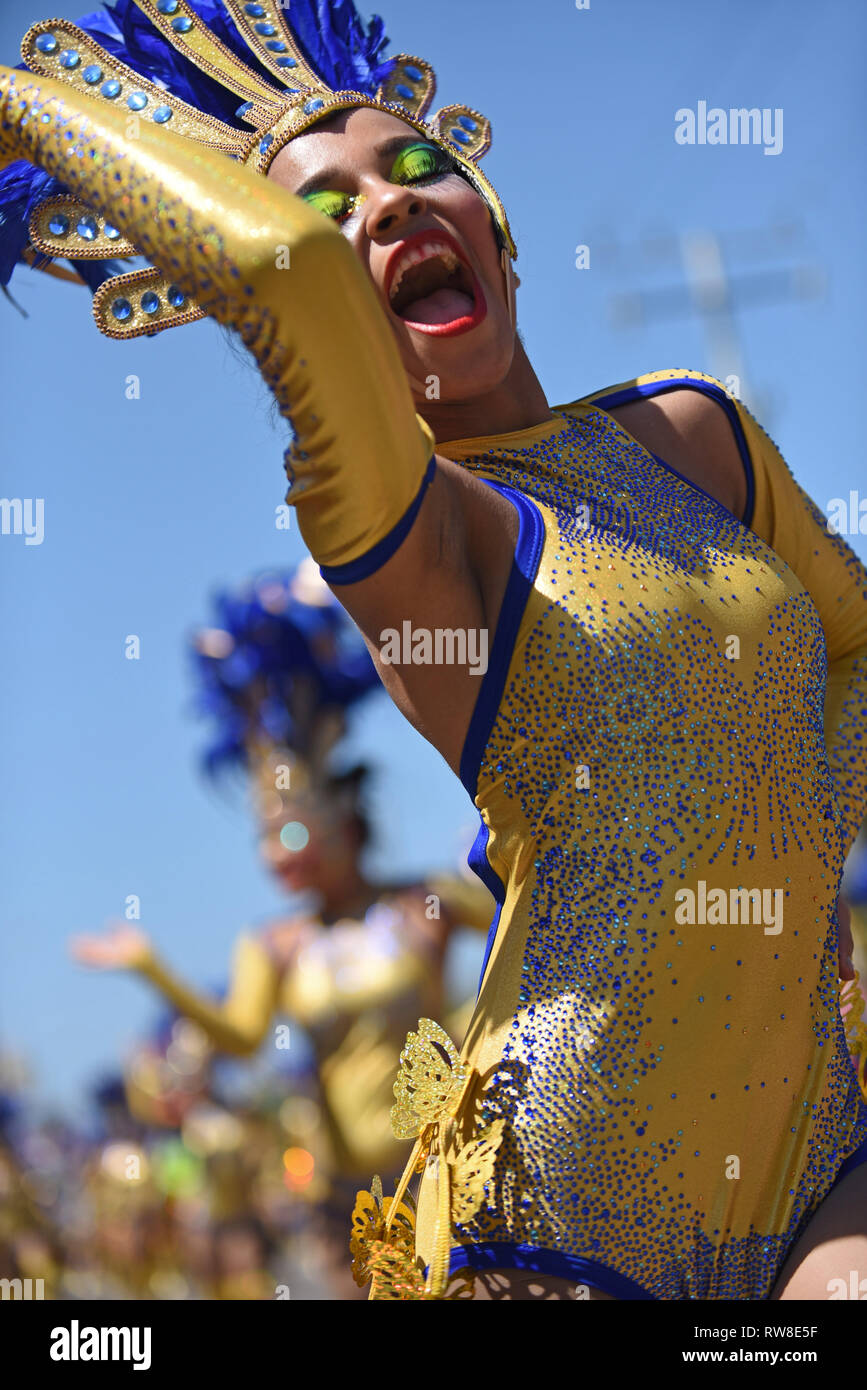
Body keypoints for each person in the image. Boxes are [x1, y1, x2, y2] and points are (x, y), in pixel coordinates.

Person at [2, 0, 866, 1301]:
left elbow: (854, 645)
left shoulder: (696, 437)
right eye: (331, 205)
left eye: (417, 172)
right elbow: (288, 273)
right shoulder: (420, 536)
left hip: (812, 1124)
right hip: (572, 1216)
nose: (387, 209)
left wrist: (801, 849)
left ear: (495, 230)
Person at [69, 561, 492, 1295]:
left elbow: (529, 923)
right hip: (345, 1205)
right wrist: (152, 967)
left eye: (288, 836)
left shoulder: (426, 905)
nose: (273, 856)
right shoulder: (275, 945)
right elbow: (241, 1038)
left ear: (343, 822)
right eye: (262, 840)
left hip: (445, 1179)